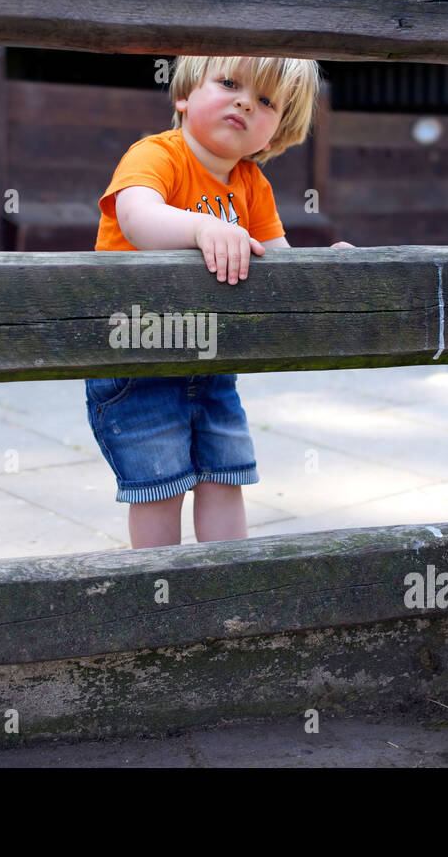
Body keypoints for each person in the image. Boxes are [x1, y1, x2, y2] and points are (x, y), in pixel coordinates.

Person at [87, 54, 354, 549]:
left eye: (266, 100)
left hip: (212, 358)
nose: (244, 101)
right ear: (184, 95)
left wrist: (325, 268)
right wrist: (203, 226)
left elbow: (278, 263)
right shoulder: (156, 155)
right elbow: (136, 218)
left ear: (272, 137)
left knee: (226, 474)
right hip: (138, 352)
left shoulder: (252, 185)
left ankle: (227, 585)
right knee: (157, 485)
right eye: (230, 83)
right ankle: (159, 585)